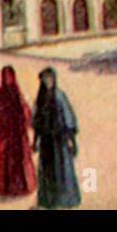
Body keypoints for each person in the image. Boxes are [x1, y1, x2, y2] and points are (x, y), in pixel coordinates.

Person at [32, 66, 80, 208]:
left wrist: (73, 142)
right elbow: (37, 122)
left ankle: (65, 200)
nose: (47, 81)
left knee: (62, 171)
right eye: (45, 79)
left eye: (50, 78)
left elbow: (69, 120)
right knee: (48, 172)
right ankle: (49, 201)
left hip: (60, 141)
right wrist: (35, 141)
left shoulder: (60, 96)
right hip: (46, 142)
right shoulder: (40, 99)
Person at [0, 65, 36, 197]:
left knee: (20, 160)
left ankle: (24, 186)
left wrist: (25, 120)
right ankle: (6, 188)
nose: (7, 79)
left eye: (9, 76)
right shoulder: (1, 93)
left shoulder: (17, 92)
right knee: (7, 162)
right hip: (7, 133)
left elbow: (25, 110)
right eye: (5, 76)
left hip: (17, 133)